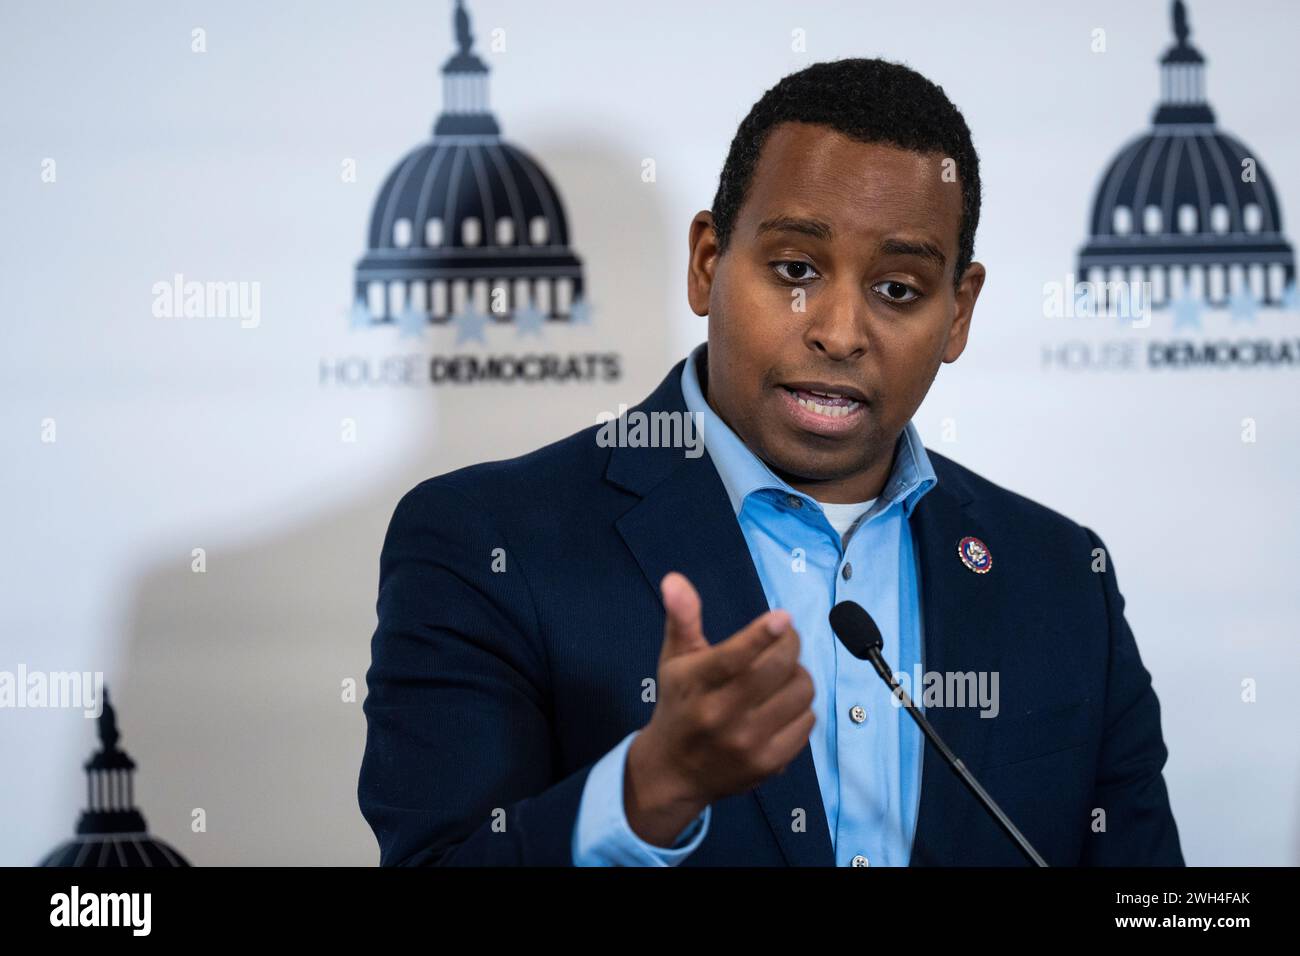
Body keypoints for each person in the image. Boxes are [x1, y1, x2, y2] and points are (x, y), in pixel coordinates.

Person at [357, 57, 1183, 866]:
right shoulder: (485, 545)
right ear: (709, 263)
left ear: (958, 313)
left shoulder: (1062, 576)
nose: (839, 330)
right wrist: (644, 797)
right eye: (795, 269)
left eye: (898, 288)